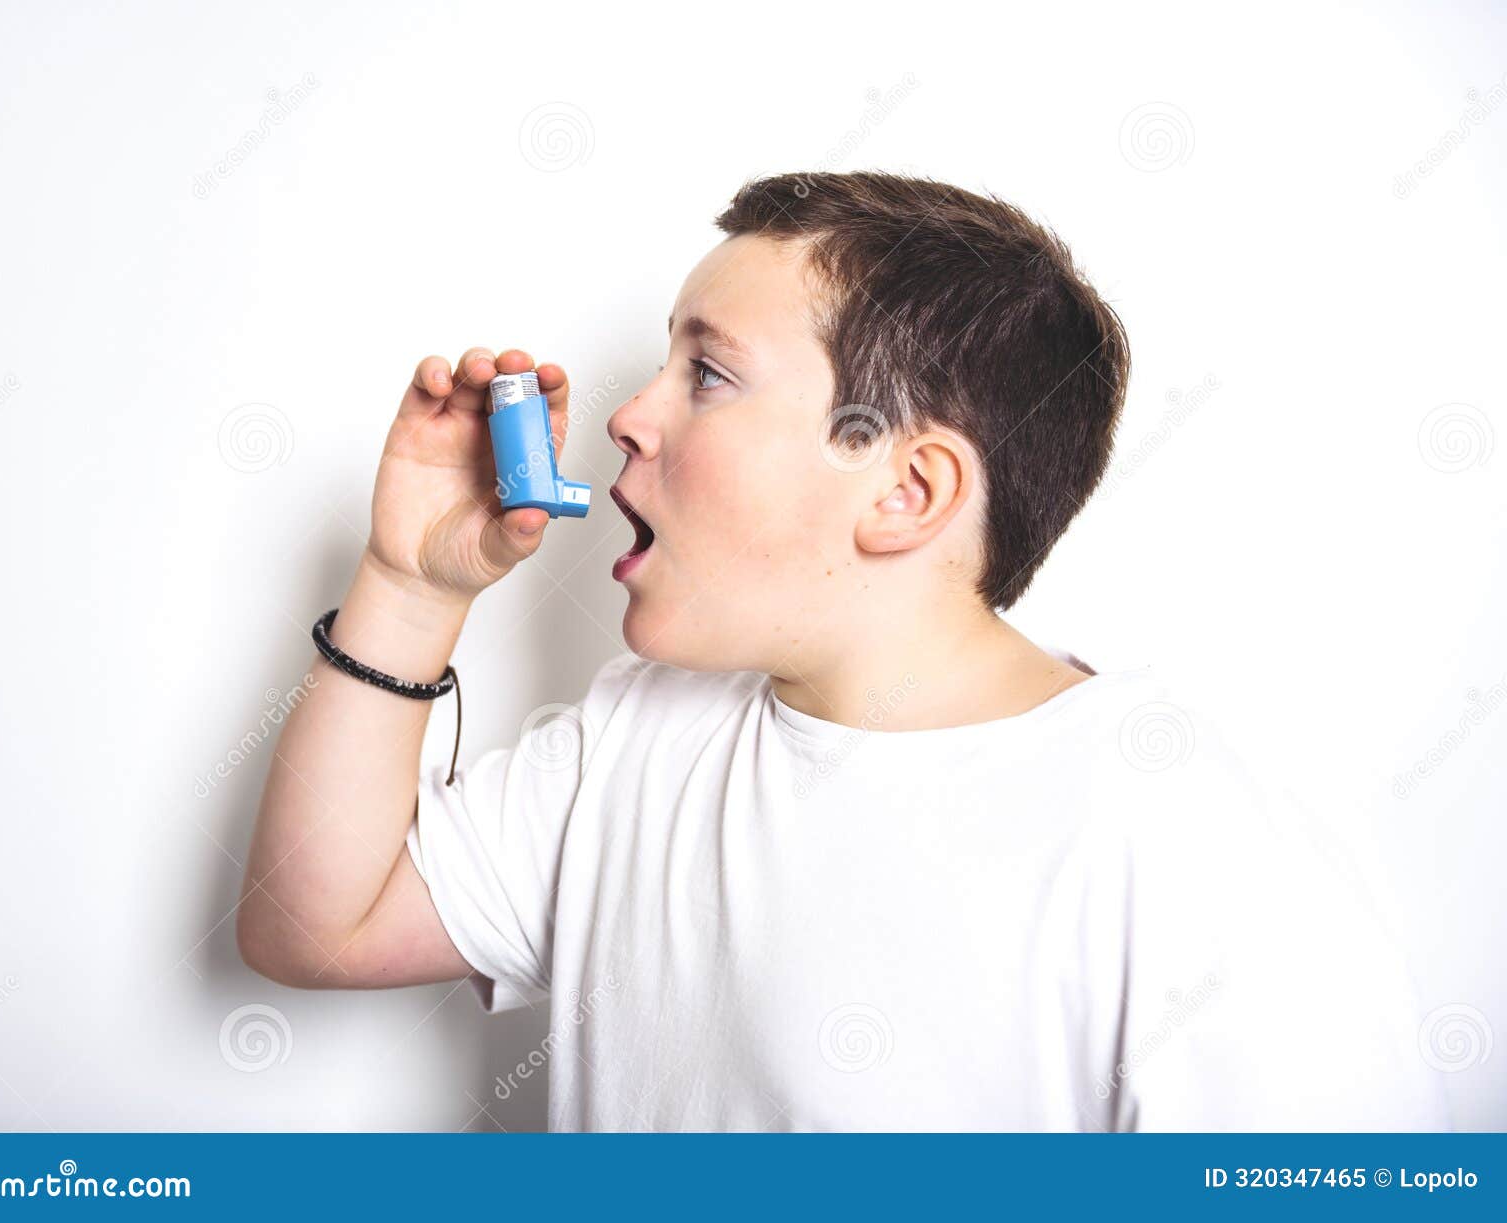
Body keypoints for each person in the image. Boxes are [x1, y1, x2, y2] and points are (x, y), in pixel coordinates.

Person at [238, 171, 1446, 1131]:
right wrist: (408, 585)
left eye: (707, 373)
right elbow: (314, 926)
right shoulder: (636, 736)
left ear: (907, 490)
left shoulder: (1195, 852)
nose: (627, 416)